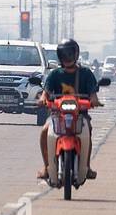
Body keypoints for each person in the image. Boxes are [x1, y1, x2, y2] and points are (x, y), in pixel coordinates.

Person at [37, 38, 101, 179]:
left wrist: (94, 100)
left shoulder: (86, 73)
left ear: (76, 54)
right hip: (57, 115)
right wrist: (43, 99)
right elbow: (46, 92)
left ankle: (87, 166)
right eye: (64, 54)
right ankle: (46, 166)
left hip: (80, 115)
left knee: (88, 131)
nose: (67, 58)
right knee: (44, 131)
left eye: (69, 54)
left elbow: (92, 93)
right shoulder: (55, 74)